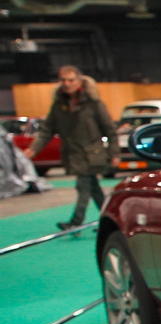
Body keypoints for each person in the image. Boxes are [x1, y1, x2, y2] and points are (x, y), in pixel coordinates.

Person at [23, 65, 118, 230]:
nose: (67, 84)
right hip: (72, 154)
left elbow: (110, 130)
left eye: (71, 80)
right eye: (63, 80)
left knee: (83, 188)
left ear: (79, 80)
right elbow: (47, 130)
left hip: (92, 154)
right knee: (93, 189)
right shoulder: (58, 106)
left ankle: (75, 222)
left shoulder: (94, 103)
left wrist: (114, 153)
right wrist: (33, 149)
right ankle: (111, 218)